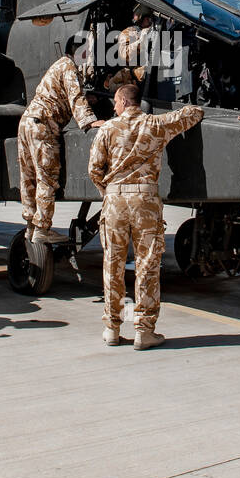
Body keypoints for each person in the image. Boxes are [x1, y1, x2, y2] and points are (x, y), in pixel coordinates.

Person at [88, 83, 203, 349]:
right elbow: (193, 113)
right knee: (147, 265)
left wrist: (110, 191)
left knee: (112, 264)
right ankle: (144, 331)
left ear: (124, 102)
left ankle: (112, 329)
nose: (113, 107)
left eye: (115, 102)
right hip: (146, 200)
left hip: (115, 200)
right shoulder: (156, 125)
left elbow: (94, 169)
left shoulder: (107, 129)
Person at [18, 38, 104, 244]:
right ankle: (42, 229)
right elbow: (75, 97)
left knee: (28, 178)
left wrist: (91, 98)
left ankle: (31, 226)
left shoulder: (59, 66)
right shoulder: (69, 66)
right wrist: (89, 121)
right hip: (44, 126)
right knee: (47, 177)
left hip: (28, 122)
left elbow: (64, 95)